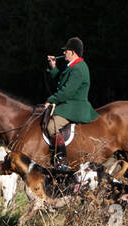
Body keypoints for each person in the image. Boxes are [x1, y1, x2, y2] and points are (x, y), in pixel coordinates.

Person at [41, 36, 99, 169]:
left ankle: (62, 162)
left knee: (52, 126)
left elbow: (67, 92)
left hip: (75, 106)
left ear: (72, 52)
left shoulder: (78, 68)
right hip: (69, 104)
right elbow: (61, 84)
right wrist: (53, 67)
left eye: (66, 51)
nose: (63, 53)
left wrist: (50, 100)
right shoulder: (73, 66)